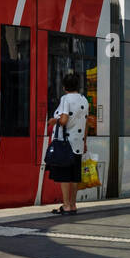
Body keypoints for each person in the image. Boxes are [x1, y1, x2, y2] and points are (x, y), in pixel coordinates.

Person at [47, 72, 89, 214]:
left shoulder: (66, 99)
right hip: (78, 143)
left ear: (64, 87)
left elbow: (64, 120)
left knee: (65, 175)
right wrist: (85, 142)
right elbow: (86, 123)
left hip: (66, 144)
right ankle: (73, 204)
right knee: (75, 176)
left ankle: (66, 205)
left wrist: (54, 121)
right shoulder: (84, 100)